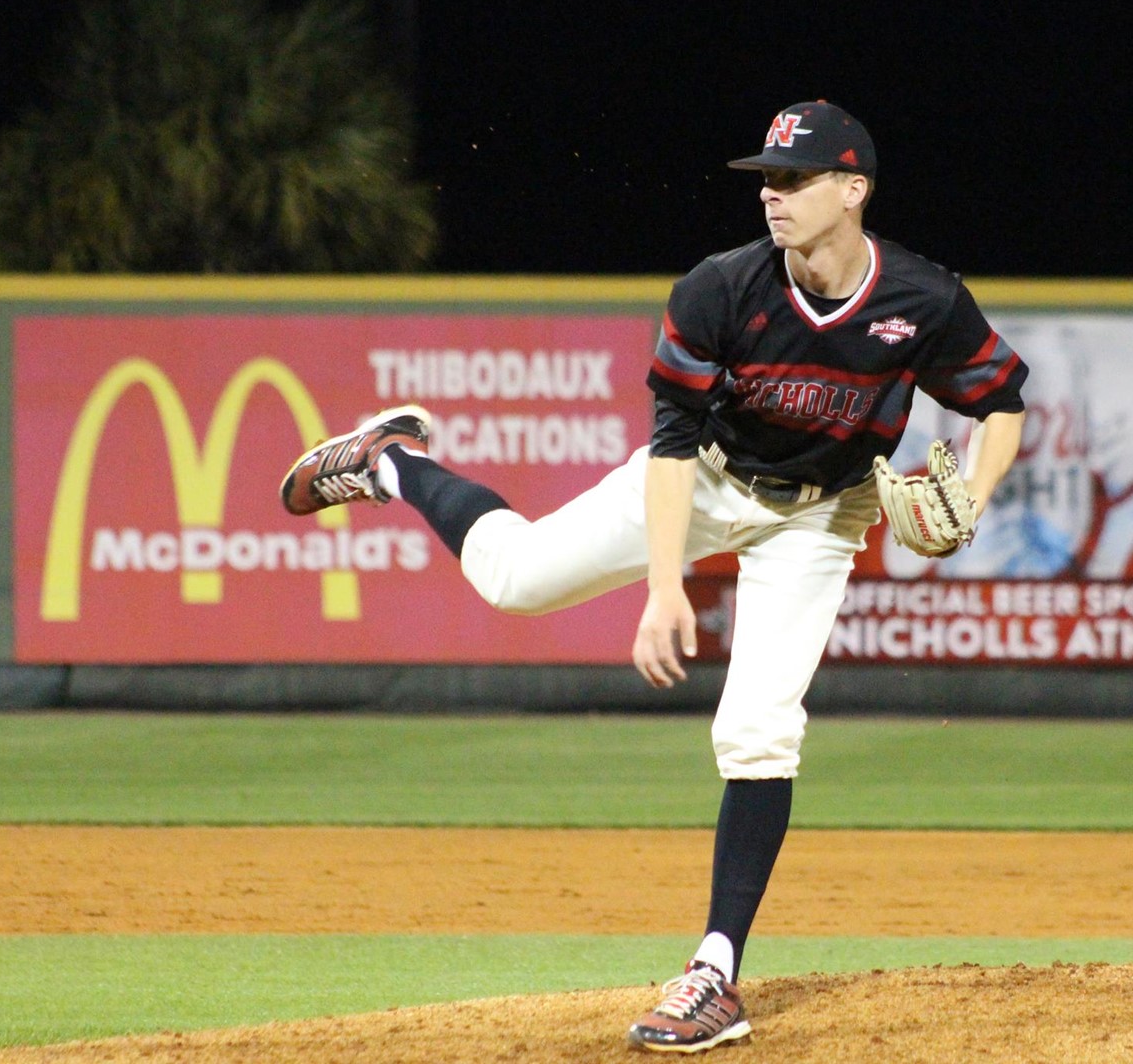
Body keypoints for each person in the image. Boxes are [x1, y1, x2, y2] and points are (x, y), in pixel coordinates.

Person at [280, 100, 1029, 1054]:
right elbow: (672, 447)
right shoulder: (720, 289)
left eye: (793, 179)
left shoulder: (922, 299)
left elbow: (1001, 400)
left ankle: (713, 973)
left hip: (821, 515)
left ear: (854, 189)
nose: (772, 195)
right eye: (766, 179)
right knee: (514, 579)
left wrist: (976, 493)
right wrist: (666, 587)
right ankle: (391, 460)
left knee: (759, 729)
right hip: (705, 479)